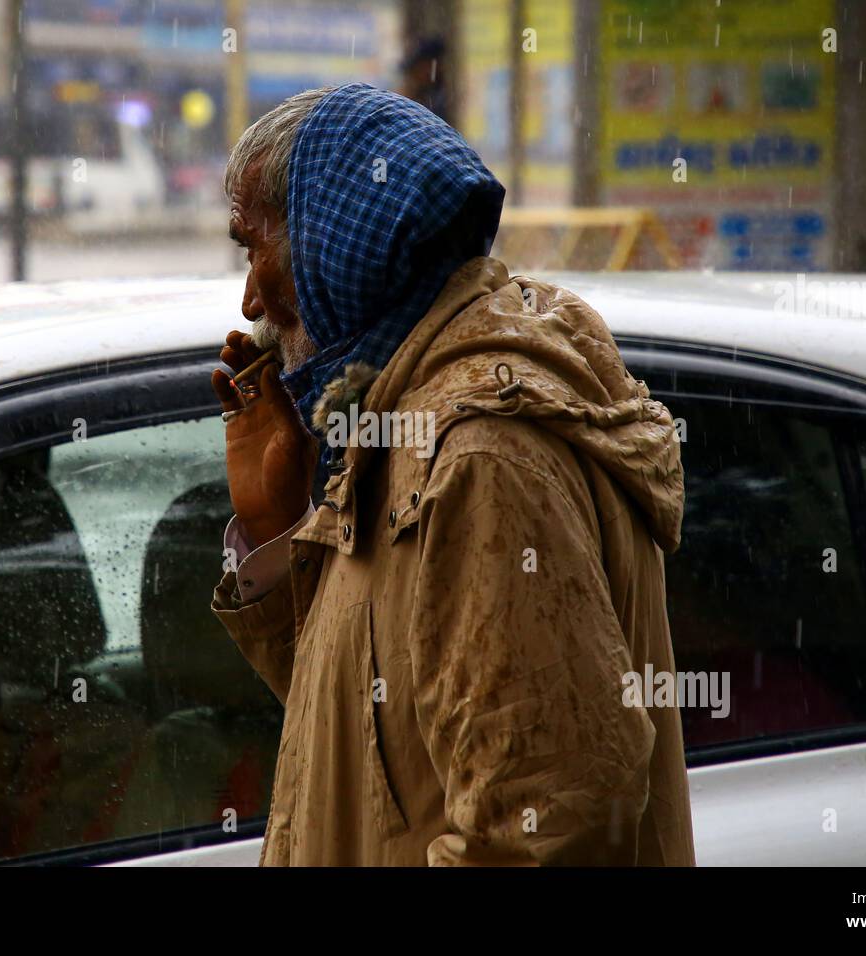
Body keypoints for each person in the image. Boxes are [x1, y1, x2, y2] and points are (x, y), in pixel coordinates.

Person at [209, 83, 694, 866]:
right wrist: (278, 524)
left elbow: (549, 822)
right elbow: (371, 743)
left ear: (340, 245)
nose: (251, 297)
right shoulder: (396, 426)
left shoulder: (480, 458)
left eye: (253, 247)